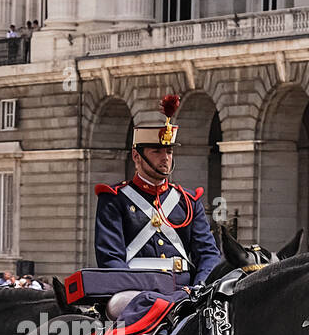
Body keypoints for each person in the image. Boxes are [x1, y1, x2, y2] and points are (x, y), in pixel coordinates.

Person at [94, 94, 221, 288]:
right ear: (137, 156)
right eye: (157, 152)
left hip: (186, 292)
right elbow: (110, 257)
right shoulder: (114, 199)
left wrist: (200, 287)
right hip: (135, 291)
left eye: (169, 152)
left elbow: (208, 254)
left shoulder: (188, 201)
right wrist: (134, 291)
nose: (165, 158)